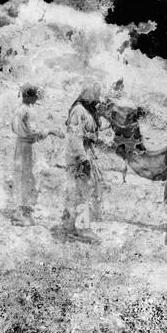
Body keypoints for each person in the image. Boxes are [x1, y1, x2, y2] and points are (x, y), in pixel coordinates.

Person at [61, 82, 104, 237]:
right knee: (80, 190)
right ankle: (80, 227)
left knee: (84, 190)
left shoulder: (88, 111)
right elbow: (74, 136)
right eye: (96, 93)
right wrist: (83, 157)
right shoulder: (78, 110)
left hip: (86, 153)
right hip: (79, 156)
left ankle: (73, 225)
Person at [11, 86, 48, 223]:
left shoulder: (18, 109)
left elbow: (14, 128)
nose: (36, 99)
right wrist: (48, 132)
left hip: (20, 145)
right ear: (29, 96)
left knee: (22, 175)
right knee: (30, 176)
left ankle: (22, 208)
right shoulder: (27, 111)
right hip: (27, 147)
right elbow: (33, 132)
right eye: (35, 97)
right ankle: (24, 210)